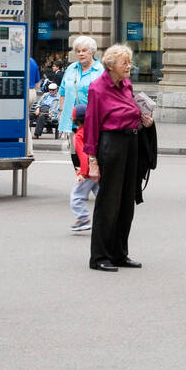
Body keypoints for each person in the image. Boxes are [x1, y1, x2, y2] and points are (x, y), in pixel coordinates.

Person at [85, 44, 153, 271]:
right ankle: (100, 257)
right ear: (111, 65)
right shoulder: (97, 89)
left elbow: (131, 110)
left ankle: (119, 253)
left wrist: (144, 120)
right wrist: (92, 161)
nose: (129, 67)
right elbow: (91, 125)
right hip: (111, 145)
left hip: (131, 143)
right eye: (125, 63)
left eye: (129, 62)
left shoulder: (127, 85)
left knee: (126, 202)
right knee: (108, 203)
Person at [57, 36, 103, 138]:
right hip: (71, 120)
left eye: (84, 50)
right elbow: (62, 91)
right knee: (74, 152)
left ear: (92, 52)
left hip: (92, 120)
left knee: (89, 152)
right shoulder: (71, 68)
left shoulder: (100, 70)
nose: (80, 53)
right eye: (78, 51)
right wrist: (60, 112)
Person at [68, 103, 97, 233]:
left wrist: (83, 173)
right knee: (102, 195)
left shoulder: (79, 135)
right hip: (98, 168)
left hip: (88, 172)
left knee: (76, 196)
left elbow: (83, 155)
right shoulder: (93, 130)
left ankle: (83, 219)